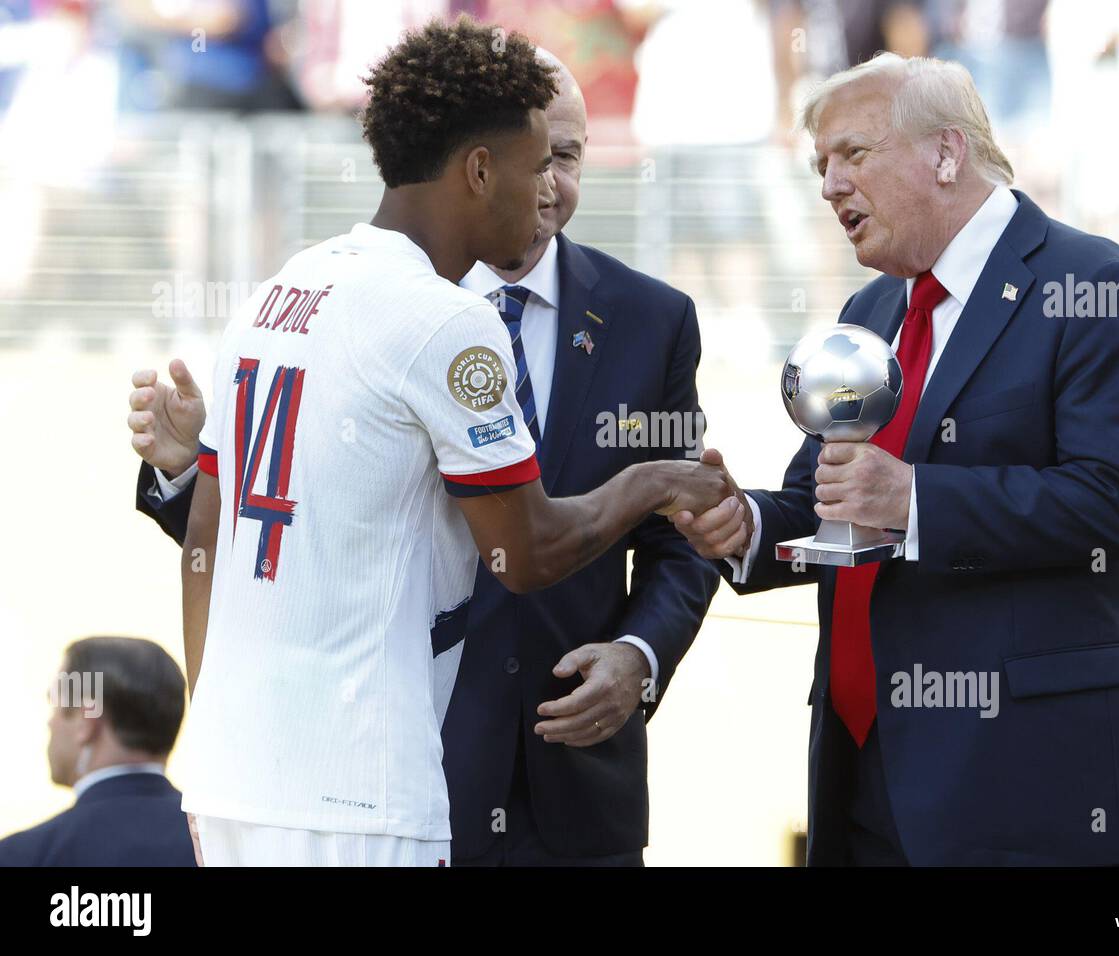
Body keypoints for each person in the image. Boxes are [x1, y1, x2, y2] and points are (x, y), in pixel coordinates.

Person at [134, 17, 734, 867]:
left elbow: (209, 532)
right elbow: (525, 553)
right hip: (365, 792)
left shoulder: (278, 288)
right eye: (536, 168)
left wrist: (221, 738)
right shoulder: (448, 319)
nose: (547, 196)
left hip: (241, 782)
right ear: (480, 170)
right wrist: (655, 484)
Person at [672, 52, 1119, 866]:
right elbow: (832, 504)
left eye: (853, 154)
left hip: (1031, 782)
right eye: (820, 166)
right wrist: (740, 524)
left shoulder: (1092, 284)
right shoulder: (871, 308)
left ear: (946, 154)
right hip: (867, 773)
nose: (830, 185)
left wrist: (917, 499)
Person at [0, 637, 194, 867]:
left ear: (87, 720)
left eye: (55, 704)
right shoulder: (216, 841)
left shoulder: (23, 856)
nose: (50, 723)